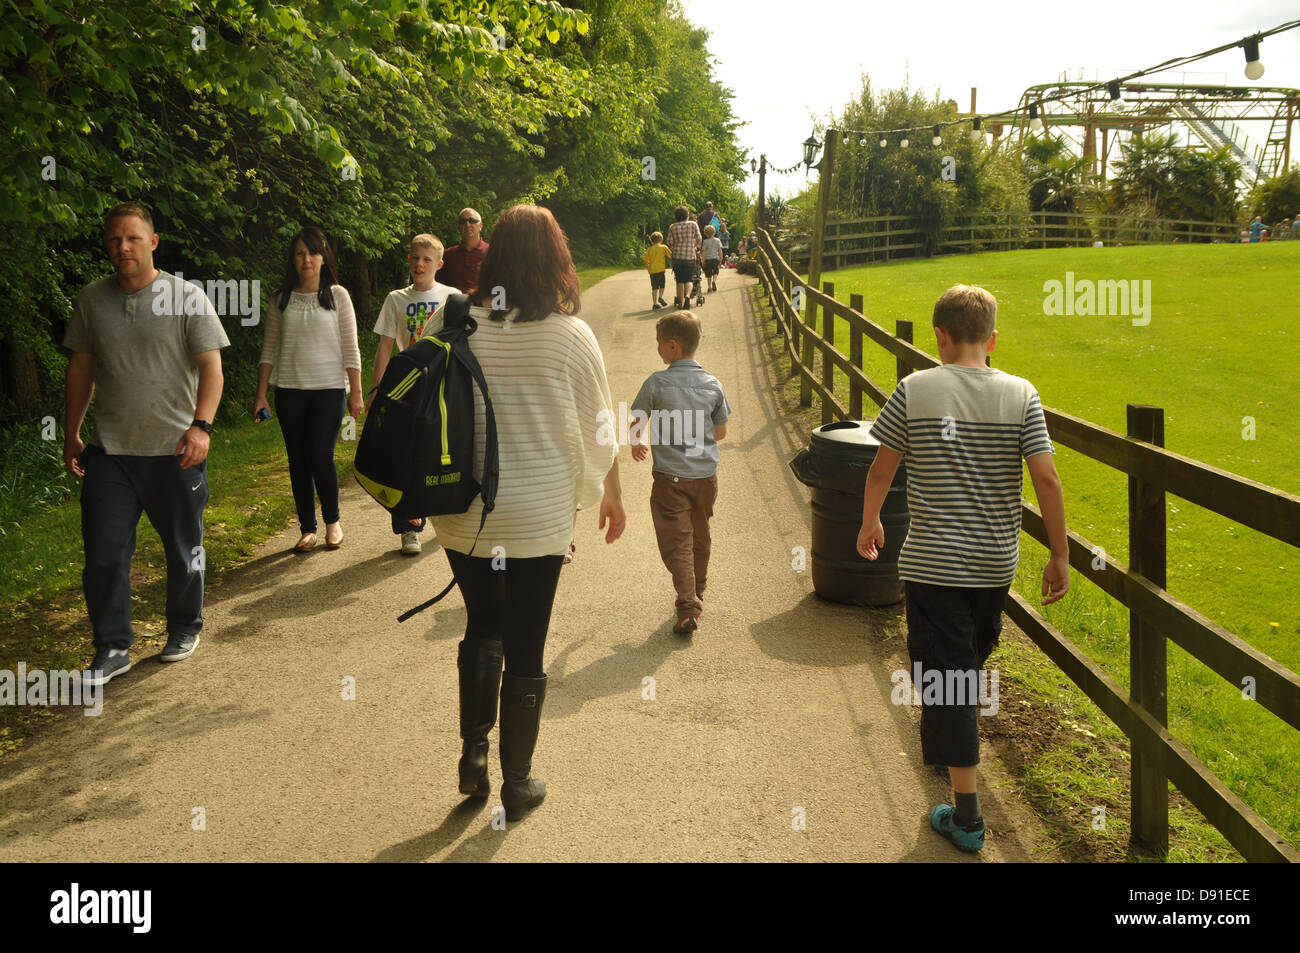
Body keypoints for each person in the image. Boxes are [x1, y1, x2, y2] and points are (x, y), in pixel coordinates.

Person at [427, 204, 626, 821]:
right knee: (528, 642)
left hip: (463, 513)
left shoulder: (450, 317)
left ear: (494, 256)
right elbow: (598, 431)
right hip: (538, 518)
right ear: (555, 259)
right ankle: (518, 781)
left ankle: (473, 757)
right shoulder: (571, 336)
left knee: (482, 625)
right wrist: (609, 493)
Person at [856, 284, 1069, 853]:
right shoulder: (1021, 394)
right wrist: (1060, 551)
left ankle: (967, 817)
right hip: (994, 566)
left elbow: (882, 469)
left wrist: (869, 522)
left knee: (948, 682)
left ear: (940, 336)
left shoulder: (915, 390)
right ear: (993, 339)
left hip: (933, 565)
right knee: (962, 670)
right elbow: (1046, 478)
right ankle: (961, 764)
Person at [63, 202, 230, 686]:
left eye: (133, 238)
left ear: (153, 242)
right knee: (104, 552)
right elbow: (81, 369)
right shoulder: (92, 300)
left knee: (183, 550)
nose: (123, 247)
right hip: (110, 451)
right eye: (114, 239)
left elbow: (211, 367)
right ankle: (112, 646)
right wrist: (72, 432)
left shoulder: (187, 297)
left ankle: (183, 626)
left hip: (175, 450)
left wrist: (202, 426)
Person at [252, 227, 362, 552]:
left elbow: (351, 347)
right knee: (298, 460)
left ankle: (333, 523)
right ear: (293, 259)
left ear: (323, 256)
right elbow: (269, 350)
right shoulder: (280, 298)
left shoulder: (338, 295)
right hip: (289, 391)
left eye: (312, 253)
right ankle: (307, 529)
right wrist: (260, 394)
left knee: (321, 456)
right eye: (299, 253)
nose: (306, 259)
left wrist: (356, 392)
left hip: (330, 390)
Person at [630, 311, 730, 636]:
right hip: (705, 477)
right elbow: (721, 432)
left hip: (670, 480)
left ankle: (688, 605)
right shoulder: (713, 384)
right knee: (700, 532)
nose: (657, 349)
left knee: (678, 541)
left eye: (659, 343)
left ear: (672, 346)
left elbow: (637, 420)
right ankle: (697, 588)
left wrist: (637, 443)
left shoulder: (657, 383)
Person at [368, 233, 458, 555]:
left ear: (439, 264)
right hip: (407, 384)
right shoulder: (396, 299)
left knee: (439, 452)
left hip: (443, 384)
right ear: (409, 260)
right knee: (405, 454)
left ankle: (448, 512)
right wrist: (377, 388)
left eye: (427, 259)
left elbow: (461, 344)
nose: (420, 264)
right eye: (415, 258)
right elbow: (385, 345)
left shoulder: (452, 296)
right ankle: (410, 526)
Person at [437, 208, 489, 294]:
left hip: (483, 306)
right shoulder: (448, 255)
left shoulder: (491, 252)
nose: (467, 224)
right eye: (463, 221)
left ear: (480, 225)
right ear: (459, 227)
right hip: (455, 305)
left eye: (472, 220)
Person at [667, 206, 702, 310]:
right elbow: (699, 238)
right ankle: (687, 296)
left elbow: (669, 242)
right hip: (690, 256)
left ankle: (681, 304)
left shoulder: (672, 227)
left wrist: (675, 248)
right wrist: (694, 246)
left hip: (677, 257)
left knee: (679, 281)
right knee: (689, 280)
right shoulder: (693, 224)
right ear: (687, 215)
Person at [644, 230, 671, 309]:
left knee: (654, 287)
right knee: (662, 285)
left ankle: (655, 304)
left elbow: (646, 261)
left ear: (652, 240)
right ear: (661, 240)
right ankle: (661, 297)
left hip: (652, 271)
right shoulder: (663, 247)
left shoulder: (650, 249)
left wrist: (648, 269)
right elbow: (670, 255)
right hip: (660, 270)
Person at [701, 225, 723, 292]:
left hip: (708, 259)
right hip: (715, 258)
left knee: (709, 274)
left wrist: (703, 260)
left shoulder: (705, 241)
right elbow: (719, 250)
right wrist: (721, 258)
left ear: (705, 233)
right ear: (714, 232)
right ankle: (714, 281)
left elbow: (704, 252)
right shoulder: (717, 240)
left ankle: (709, 287)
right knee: (716, 271)